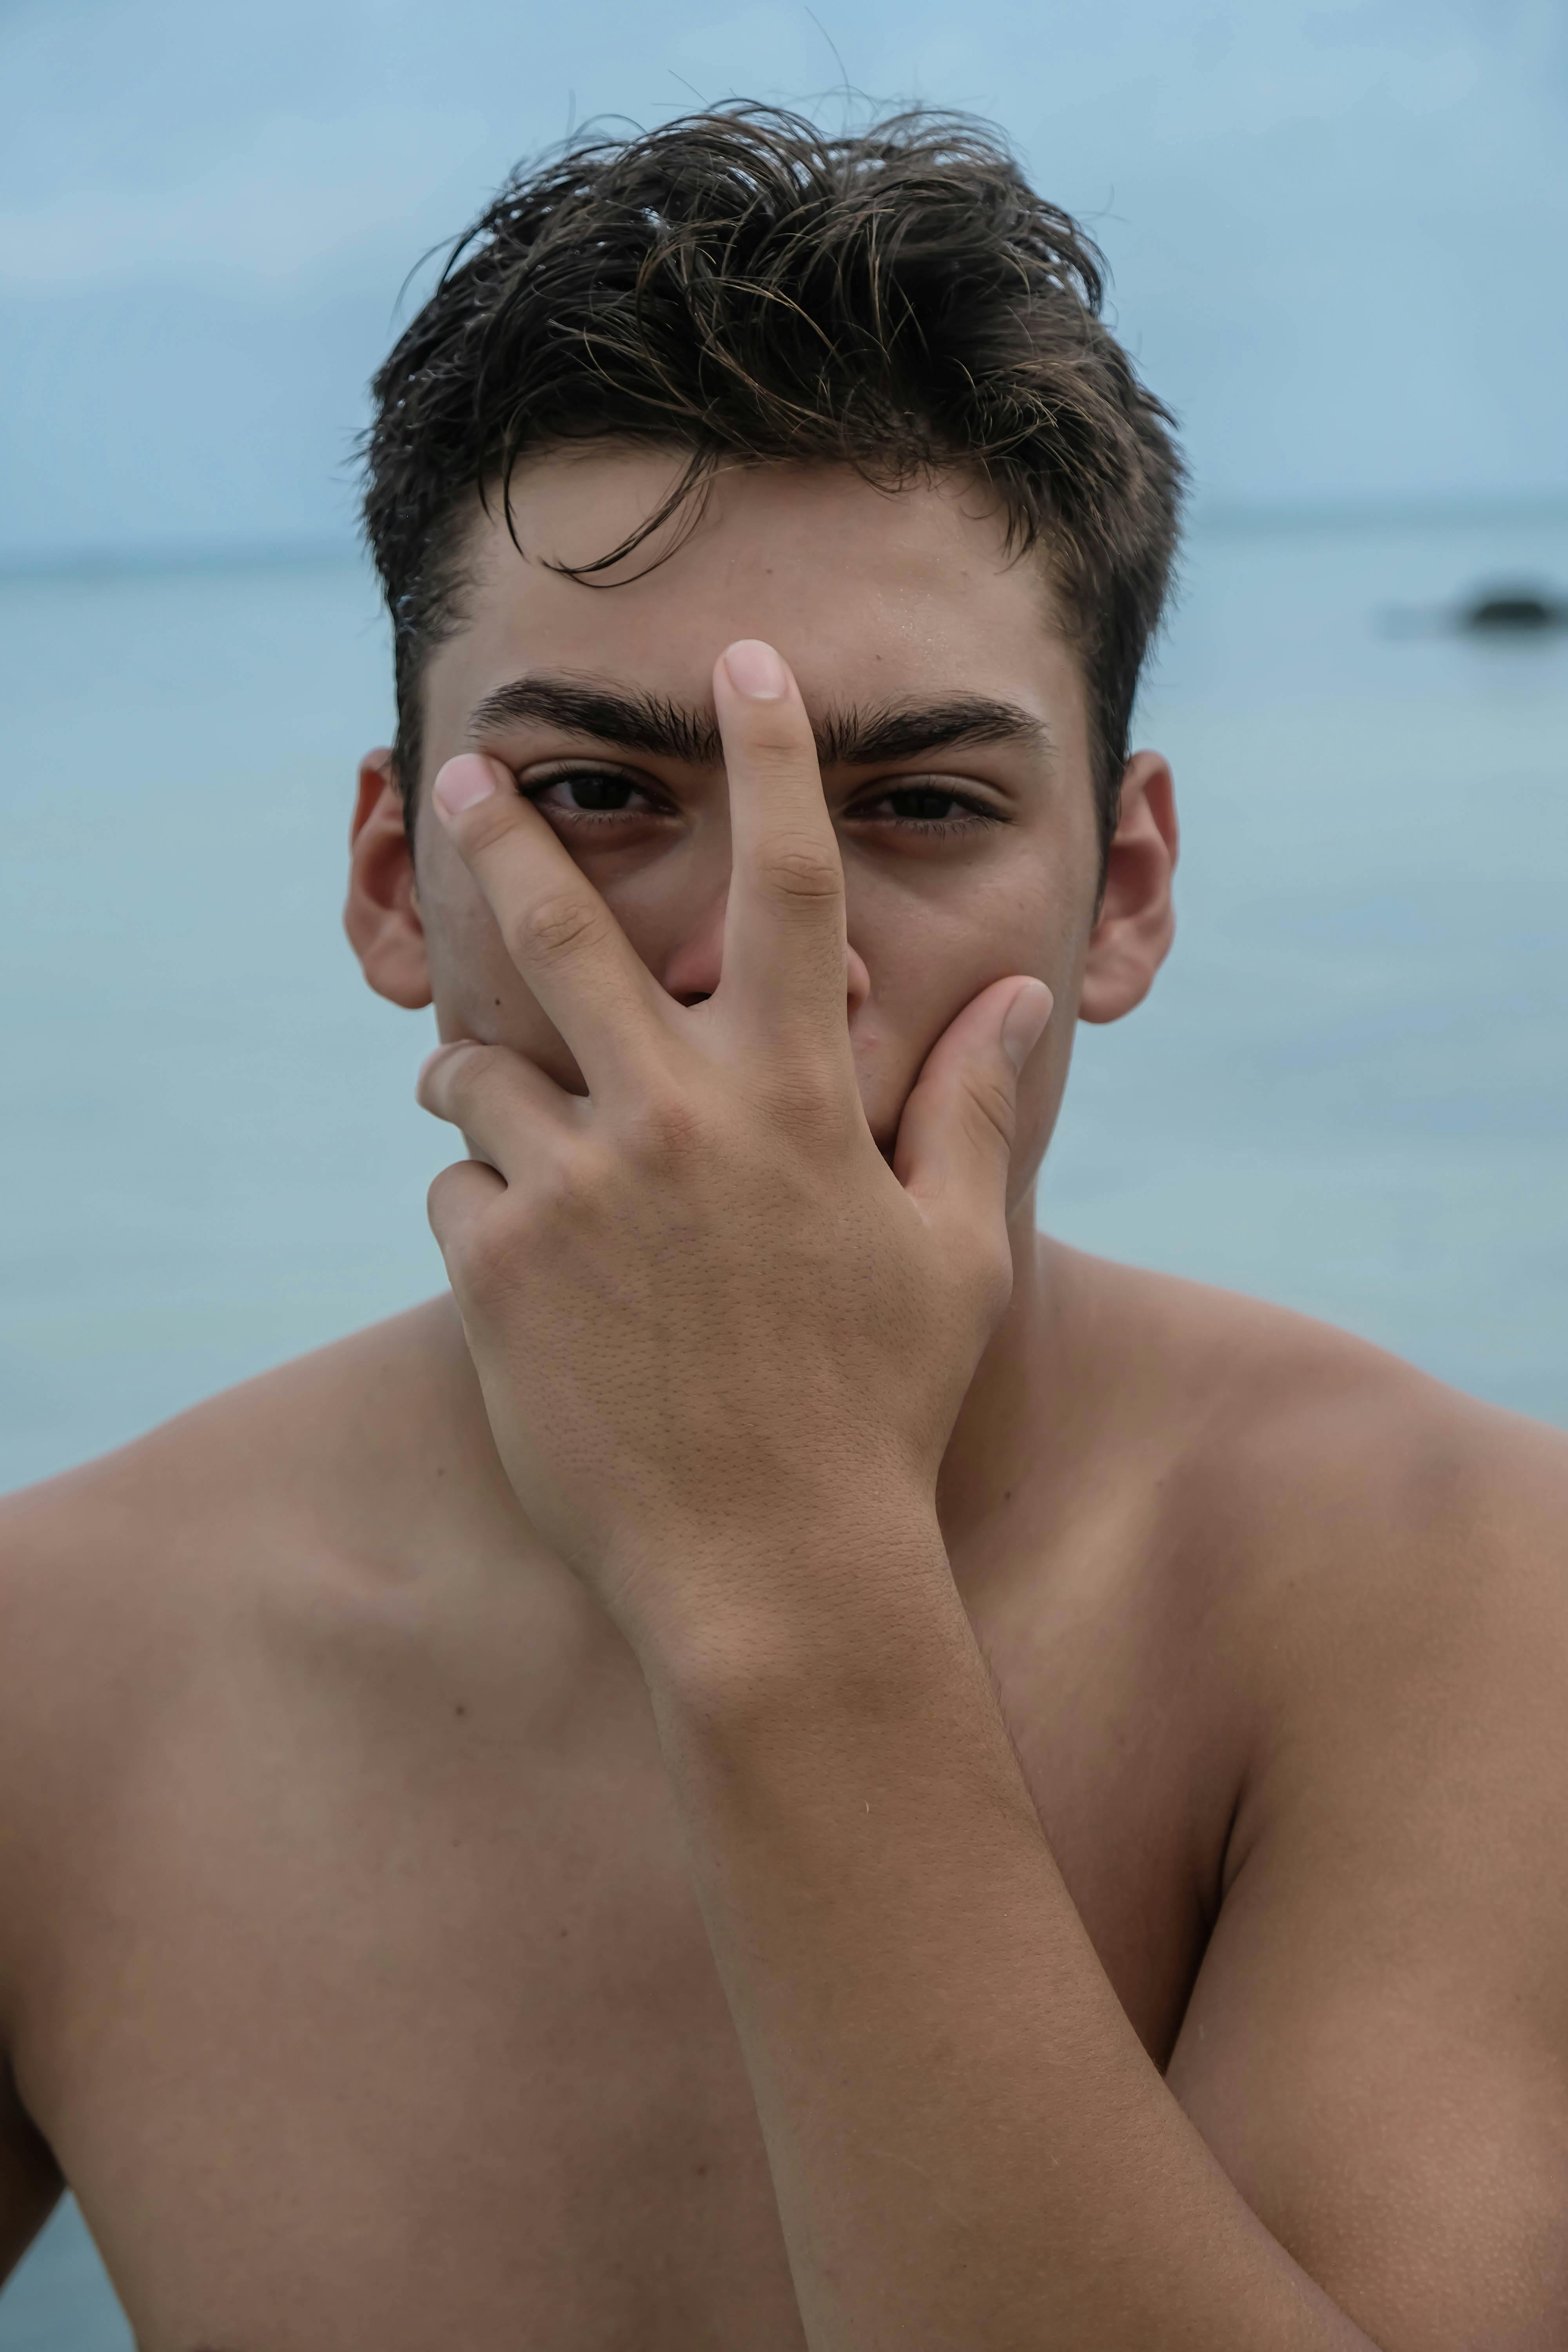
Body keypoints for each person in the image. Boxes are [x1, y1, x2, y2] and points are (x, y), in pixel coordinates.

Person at [1, 105, 1563, 2352]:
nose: (759, 949)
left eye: (917, 802)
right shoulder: (58, 1669)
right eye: (594, 795)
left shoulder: (1468, 1592)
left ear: (1123, 891)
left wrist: (784, 1565)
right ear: (392, 881)